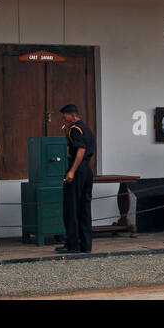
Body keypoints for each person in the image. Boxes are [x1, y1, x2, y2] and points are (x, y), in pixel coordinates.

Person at [56, 103, 95, 253]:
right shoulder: (86, 128)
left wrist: (71, 171)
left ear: (73, 115)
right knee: (84, 208)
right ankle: (85, 245)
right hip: (86, 169)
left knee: (71, 208)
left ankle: (73, 245)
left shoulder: (74, 130)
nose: (64, 120)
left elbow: (81, 150)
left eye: (65, 117)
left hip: (77, 168)